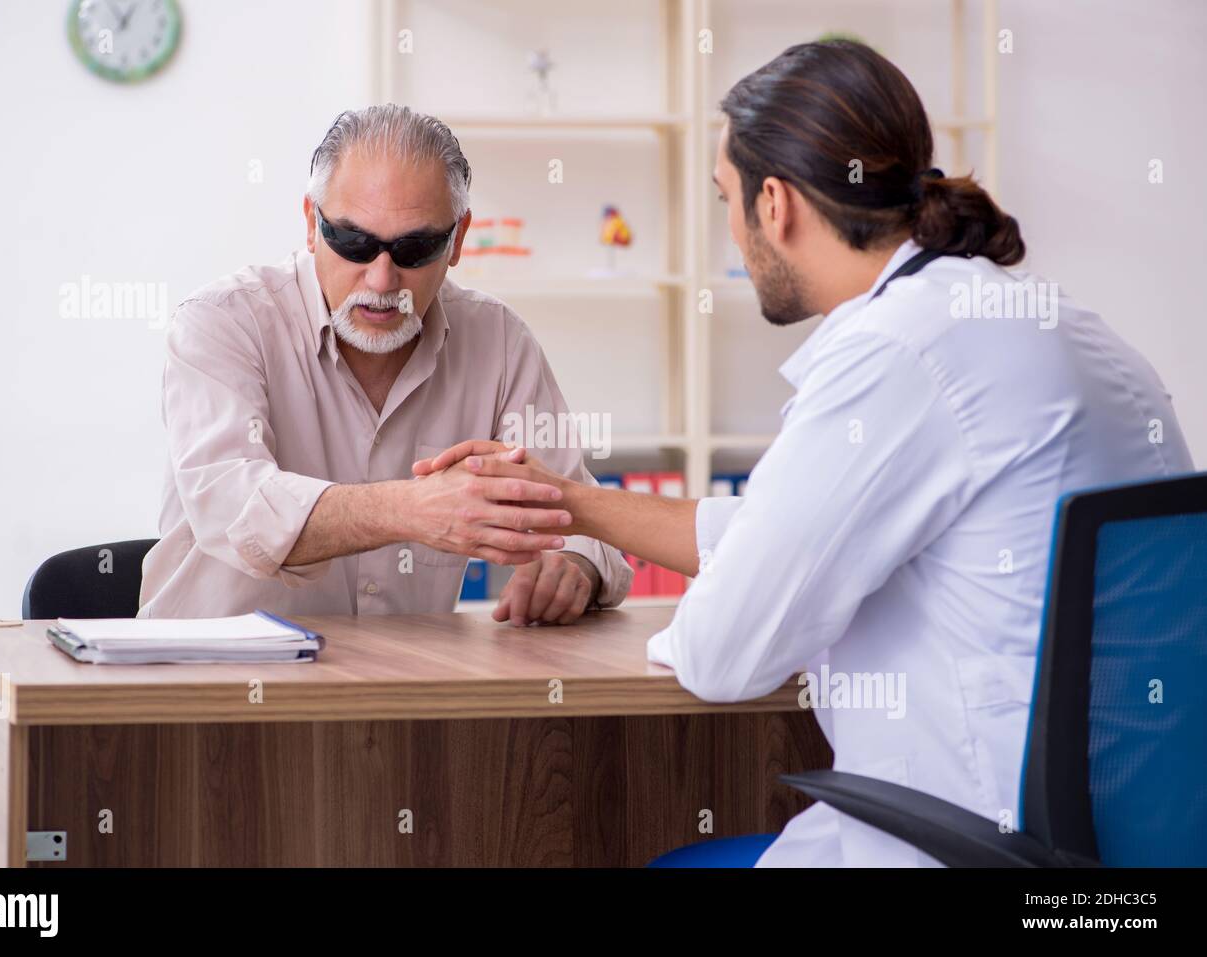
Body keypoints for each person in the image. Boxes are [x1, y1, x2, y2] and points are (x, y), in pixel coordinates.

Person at [414, 40, 1195, 866]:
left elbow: (725, 656)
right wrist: (567, 500)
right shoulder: (1051, 323)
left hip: (970, 843)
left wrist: (709, 605)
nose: (732, 230)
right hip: (1125, 852)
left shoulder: (896, 353)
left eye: (726, 199)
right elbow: (781, 527)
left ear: (775, 203)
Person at [139, 105, 631, 621]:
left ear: (458, 239)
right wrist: (412, 510)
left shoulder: (498, 341)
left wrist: (576, 563)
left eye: (414, 248)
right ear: (311, 224)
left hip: (403, 688)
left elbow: (576, 508)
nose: (380, 281)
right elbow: (232, 505)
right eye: (353, 242)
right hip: (209, 683)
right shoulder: (221, 323)